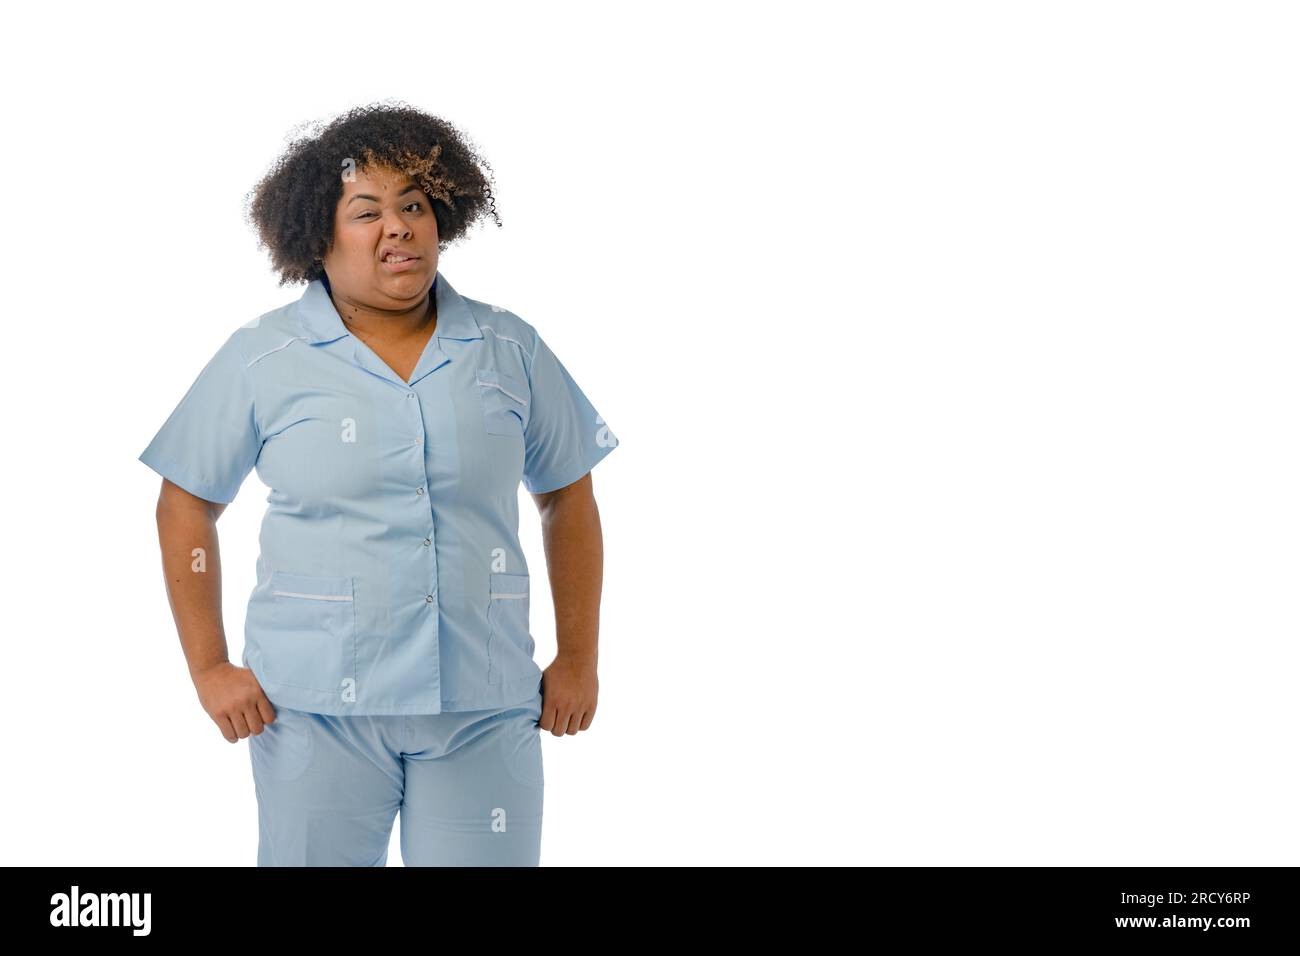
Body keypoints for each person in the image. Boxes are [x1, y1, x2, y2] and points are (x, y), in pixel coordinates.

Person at [138, 103, 620, 866]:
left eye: (414, 206)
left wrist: (579, 657)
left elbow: (567, 493)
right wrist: (209, 666)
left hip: (482, 706)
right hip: (313, 709)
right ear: (316, 238)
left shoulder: (509, 347)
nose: (397, 227)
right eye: (366, 212)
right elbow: (186, 502)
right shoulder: (263, 358)